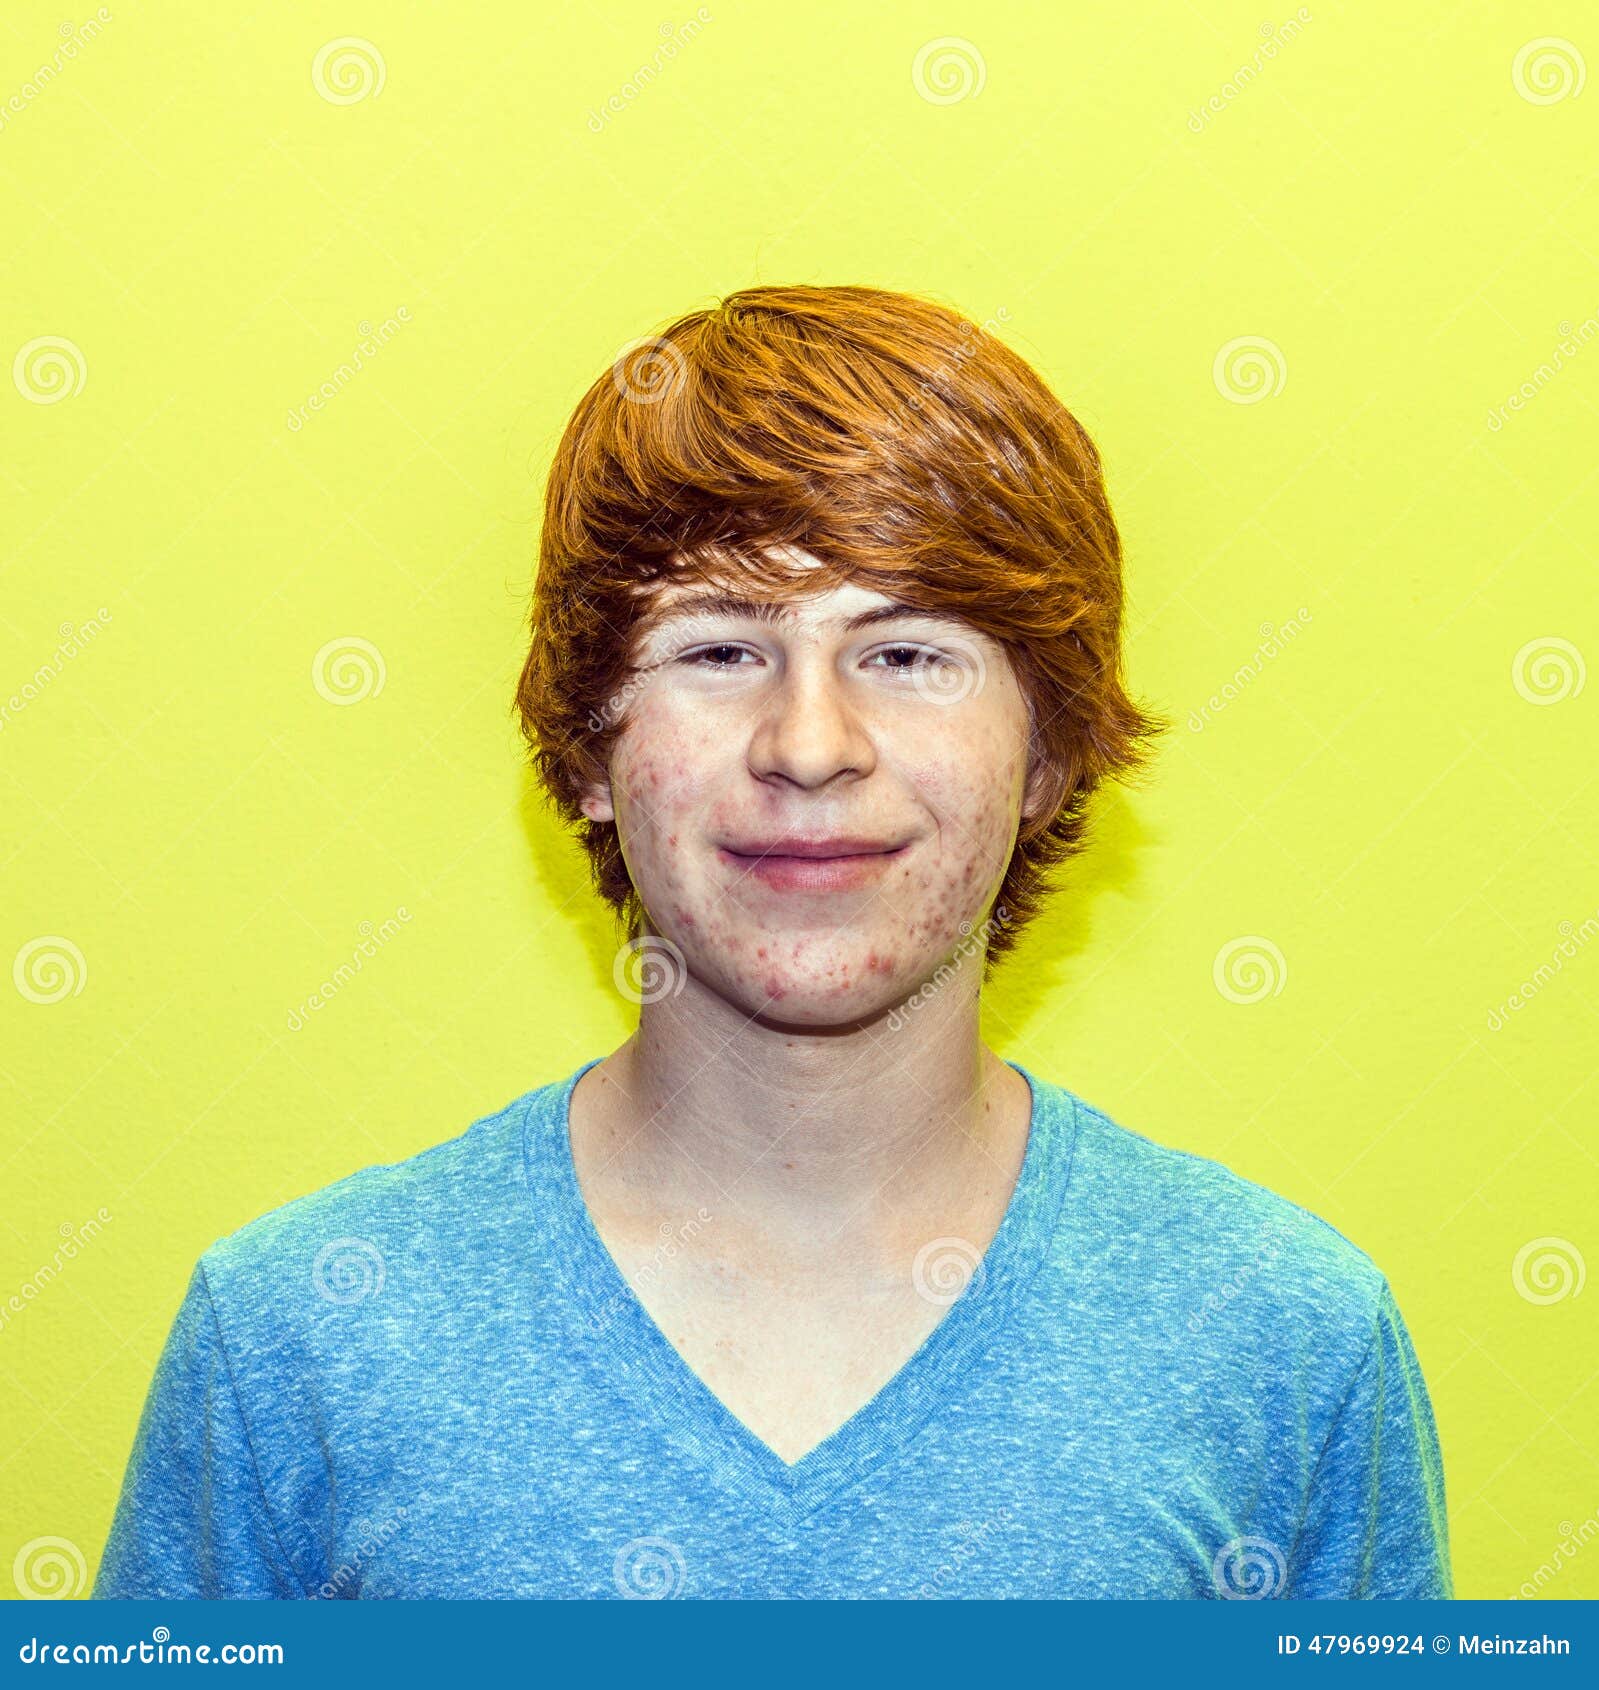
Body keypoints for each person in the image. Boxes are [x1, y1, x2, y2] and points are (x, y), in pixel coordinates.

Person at [93, 284, 1452, 1600]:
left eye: (907, 653)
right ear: (588, 749)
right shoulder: (295, 1338)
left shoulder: (1288, 1340)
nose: (808, 745)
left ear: (1047, 752)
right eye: (720, 650)